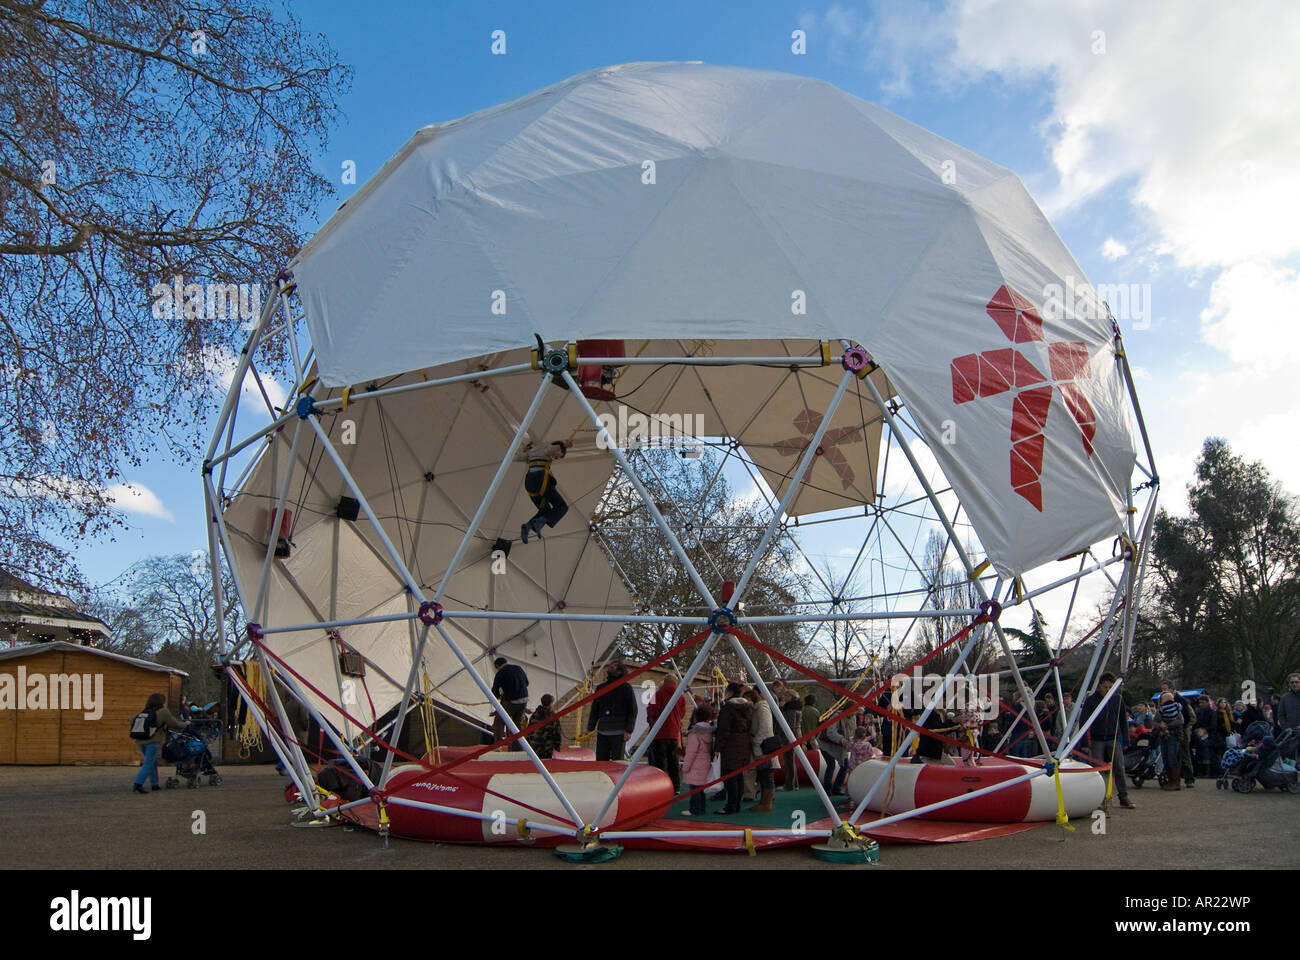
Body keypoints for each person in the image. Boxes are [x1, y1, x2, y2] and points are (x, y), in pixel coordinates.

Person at [1081, 673, 1135, 808]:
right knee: (1097, 771)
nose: (1108, 690)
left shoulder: (1117, 699)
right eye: (1105, 687)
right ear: (1100, 685)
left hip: (1113, 738)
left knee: (1119, 768)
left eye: (1111, 687)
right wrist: (1084, 742)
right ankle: (1098, 799)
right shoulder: (1091, 700)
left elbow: (1123, 720)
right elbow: (1084, 722)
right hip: (1097, 739)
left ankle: (1123, 796)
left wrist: (1126, 739)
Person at [131, 693, 188, 793]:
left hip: (140, 740)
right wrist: (185, 724)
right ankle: (138, 783)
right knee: (149, 763)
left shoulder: (145, 711)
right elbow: (173, 723)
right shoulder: (163, 711)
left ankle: (154, 784)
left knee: (151, 762)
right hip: (153, 740)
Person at [713, 682, 753, 815]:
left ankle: (730, 805)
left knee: (730, 776)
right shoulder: (747, 707)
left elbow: (724, 729)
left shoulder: (728, 708)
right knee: (738, 776)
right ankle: (735, 804)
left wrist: (718, 747)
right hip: (744, 743)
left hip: (731, 744)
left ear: (729, 692)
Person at [518, 440, 569, 543]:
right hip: (540, 482)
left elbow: (518, 457)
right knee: (562, 507)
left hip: (530, 485)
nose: (556, 458)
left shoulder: (531, 453)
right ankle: (537, 524)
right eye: (559, 456)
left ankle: (528, 526)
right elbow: (552, 448)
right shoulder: (546, 449)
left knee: (544, 510)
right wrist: (564, 445)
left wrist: (515, 453)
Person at [587, 661, 637, 761]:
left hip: (619, 732)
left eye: (614, 665)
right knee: (601, 761)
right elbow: (595, 708)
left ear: (620, 671)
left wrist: (628, 730)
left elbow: (632, 710)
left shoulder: (626, 688)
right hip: (603, 730)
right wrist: (591, 726)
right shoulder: (601, 688)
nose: (610, 667)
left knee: (617, 762)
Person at [645, 675, 687, 792]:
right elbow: (682, 714)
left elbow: (652, 711)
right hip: (674, 733)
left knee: (660, 762)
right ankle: (676, 787)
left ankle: (661, 787)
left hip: (660, 733)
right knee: (674, 761)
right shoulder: (681, 697)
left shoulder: (657, 695)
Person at [679, 705, 715, 816]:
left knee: (694, 788)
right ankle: (701, 807)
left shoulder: (695, 733)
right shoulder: (709, 731)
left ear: (696, 717)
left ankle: (695, 809)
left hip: (695, 763)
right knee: (701, 787)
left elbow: (691, 752)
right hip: (705, 761)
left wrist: (685, 766)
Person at [745, 688, 776, 812]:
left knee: (766, 774)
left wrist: (757, 743)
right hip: (761, 745)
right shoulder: (759, 708)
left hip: (763, 747)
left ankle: (766, 803)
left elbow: (765, 728)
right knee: (764, 774)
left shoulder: (762, 709)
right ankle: (764, 801)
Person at [1160, 680, 1196, 787]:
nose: (1163, 691)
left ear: (1172, 689)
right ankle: (1172, 779)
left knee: (1184, 755)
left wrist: (1179, 728)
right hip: (1167, 732)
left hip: (1181, 732)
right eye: (1162, 689)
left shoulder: (1180, 700)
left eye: (1165, 689)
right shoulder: (1162, 701)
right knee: (1170, 756)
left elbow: (1188, 717)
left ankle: (1189, 779)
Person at [491, 657, 529, 751]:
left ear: (497, 666)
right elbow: (527, 683)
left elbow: (495, 689)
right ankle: (517, 747)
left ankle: (498, 745)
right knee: (517, 724)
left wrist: (497, 697)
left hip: (512, 701)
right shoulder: (518, 668)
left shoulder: (501, 673)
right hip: (524, 699)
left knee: (499, 720)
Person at [776, 685, 803, 792]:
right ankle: (794, 783)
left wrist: (787, 738)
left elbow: (790, 725)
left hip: (790, 737)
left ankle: (790, 784)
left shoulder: (790, 708)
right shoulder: (797, 707)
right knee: (790, 760)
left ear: (791, 696)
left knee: (789, 761)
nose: (784, 697)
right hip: (795, 735)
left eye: (786, 695)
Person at [818, 706, 850, 794]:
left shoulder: (852, 718)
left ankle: (836, 788)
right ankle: (827, 789)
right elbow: (830, 733)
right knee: (831, 764)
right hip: (826, 745)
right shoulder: (836, 716)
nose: (855, 713)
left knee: (845, 765)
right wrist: (842, 739)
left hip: (839, 746)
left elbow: (851, 732)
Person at [1157, 692, 1185, 790]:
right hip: (1163, 736)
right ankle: (1170, 781)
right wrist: (1160, 725)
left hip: (1174, 736)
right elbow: (1155, 722)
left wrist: (1167, 725)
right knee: (1165, 758)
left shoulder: (1177, 709)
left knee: (1172, 758)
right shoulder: (1160, 710)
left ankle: (1176, 782)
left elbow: (1180, 721)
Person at [526, 694, 563, 759]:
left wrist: (529, 743)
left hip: (535, 745)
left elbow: (529, 730)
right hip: (547, 747)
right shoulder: (552, 716)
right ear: (551, 703)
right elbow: (557, 732)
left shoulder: (535, 715)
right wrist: (557, 746)